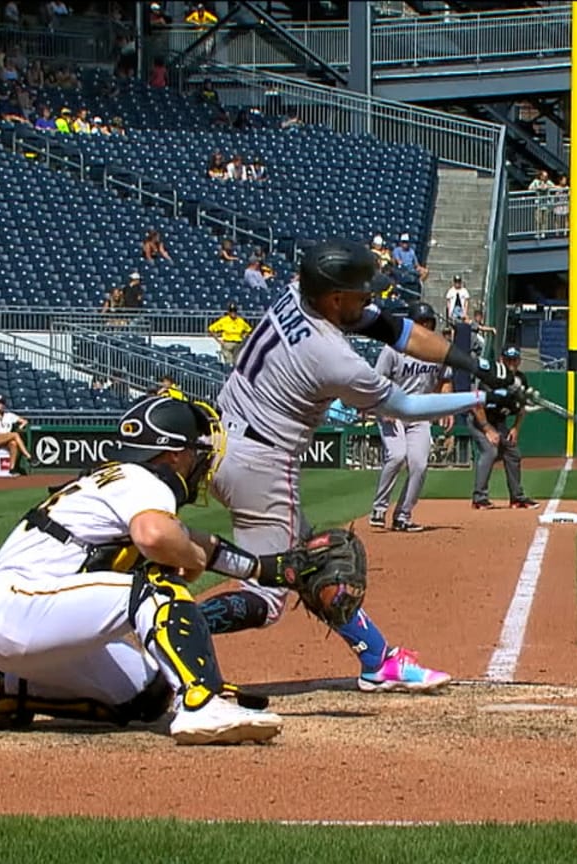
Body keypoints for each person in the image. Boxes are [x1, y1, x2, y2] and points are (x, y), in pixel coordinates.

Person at [210, 239, 525, 693]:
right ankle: (167, 630)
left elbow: (397, 330)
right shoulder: (329, 356)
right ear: (336, 297)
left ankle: (378, 659)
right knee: (272, 595)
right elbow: (405, 407)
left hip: (222, 440)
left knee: (315, 562)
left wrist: (477, 366)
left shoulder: (299, 295)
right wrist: (483, 397)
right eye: (361, 292)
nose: (370, 299)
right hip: (260, 463)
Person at [0, 394, 339, 745]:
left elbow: (201, 544)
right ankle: (202, 703)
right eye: (196, 450)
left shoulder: (120, 481)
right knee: (157, 587)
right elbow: (155, 537)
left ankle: (6, 691)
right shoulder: (144, 479)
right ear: (172, 455)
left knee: (149, 694)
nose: (202, 460)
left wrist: (269, 570)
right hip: (20, 607)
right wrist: (191, 559)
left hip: (33, 619)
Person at [368, 303, 453, 533]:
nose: (425, 327)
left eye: (429, 324)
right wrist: (383, 409)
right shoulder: (393, 349)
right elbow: (377, 381)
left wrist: (445, 409)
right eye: (421, 323)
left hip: (420, 411)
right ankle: (379, 508)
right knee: (396, 456)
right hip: (392, 409)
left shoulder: (437, 350)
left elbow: (445, 380)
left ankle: (403, 515)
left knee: (419, 464)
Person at [470, 347, 540, 510]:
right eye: (508, 359)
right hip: (479, 420)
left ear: (519, 361)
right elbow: (476, 404)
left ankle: (517, 498)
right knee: (490, 451)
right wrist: (487, 429)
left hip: (498, 422)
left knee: (512, 452)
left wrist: (515, 428)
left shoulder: (520, 379)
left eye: (515, 359)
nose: (512, 363)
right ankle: (479, 498)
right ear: (501, 359)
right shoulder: (492, 375)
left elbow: (522, 408)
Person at [0, 395, 30, 473]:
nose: (1, 405)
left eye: (2, 403)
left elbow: (24, 421)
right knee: (15, 434)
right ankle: (27, 455)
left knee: (13, 443)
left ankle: (12, 468)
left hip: (7, 439)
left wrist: (21, 426)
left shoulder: (9, 415)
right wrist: (3, 433)